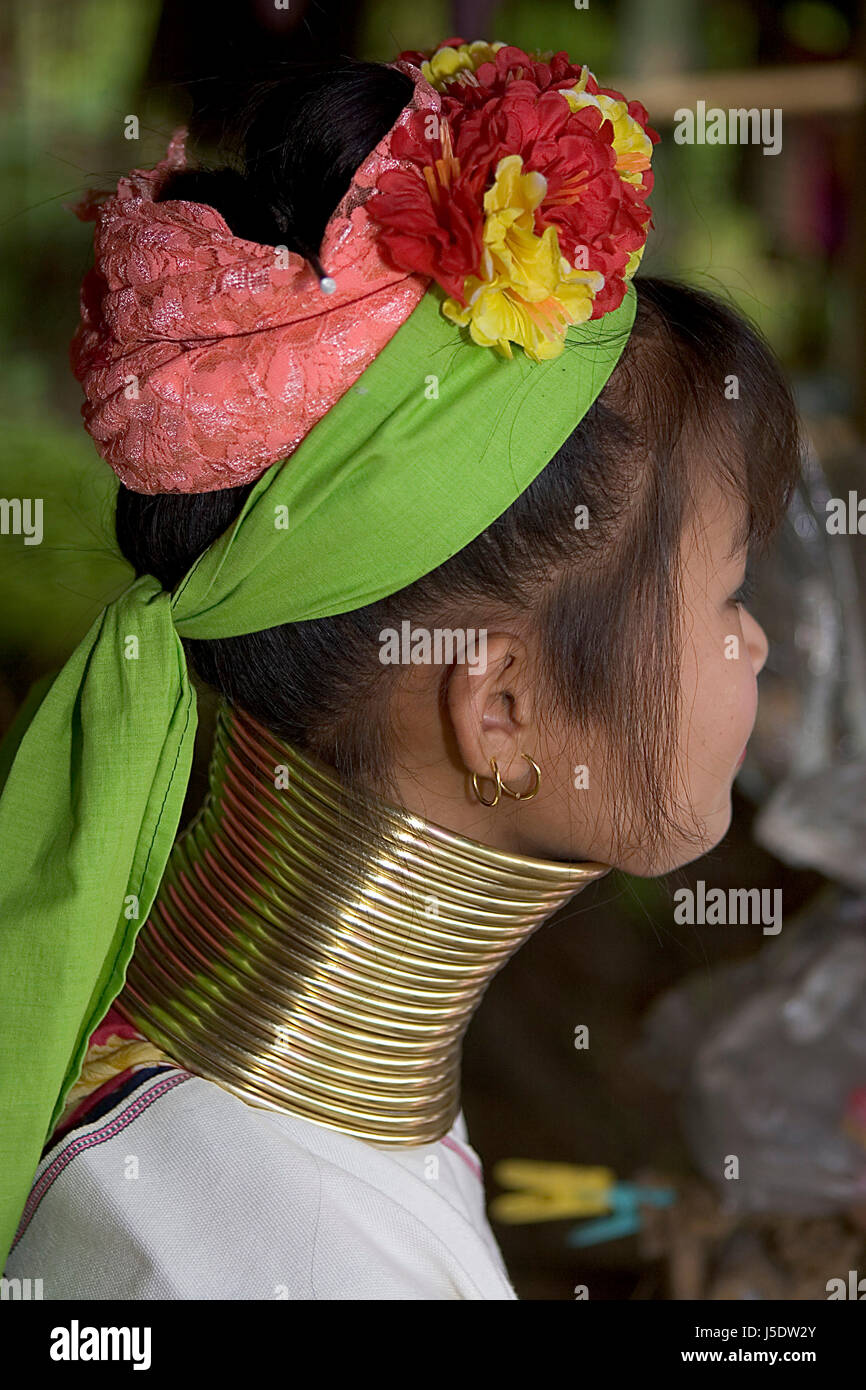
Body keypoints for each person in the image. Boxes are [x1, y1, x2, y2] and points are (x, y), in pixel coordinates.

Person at [0, 37, 801, 1298]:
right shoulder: (288, 1255)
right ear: (498, 704)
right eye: (723, 594)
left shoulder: (265, 1154)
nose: (749, 642)